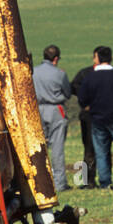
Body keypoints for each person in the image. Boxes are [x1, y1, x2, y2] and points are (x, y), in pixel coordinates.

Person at [77, 46, 113, 191]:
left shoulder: (90, 77)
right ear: (111, 58)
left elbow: (82, 98)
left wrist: (89, 106)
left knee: (101, 152)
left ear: (96, 58)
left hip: (97, 119)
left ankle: (105, 182)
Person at [32, 45, 72, 192]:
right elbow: (67, 93)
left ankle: (40, 182)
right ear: (56, 59)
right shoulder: (60, 74)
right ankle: (60, 184)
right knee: (57, 148)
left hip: (37, 110)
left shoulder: (34, 72)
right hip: (55, 110)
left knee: (39, 147)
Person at [68, 61, 97, 188]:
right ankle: (100, 180)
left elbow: (73, 87)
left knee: (89, 150)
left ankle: (87, 180)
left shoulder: (85, 73)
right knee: (97, 150)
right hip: (105, 115)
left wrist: (84, 101)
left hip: (88, 114)